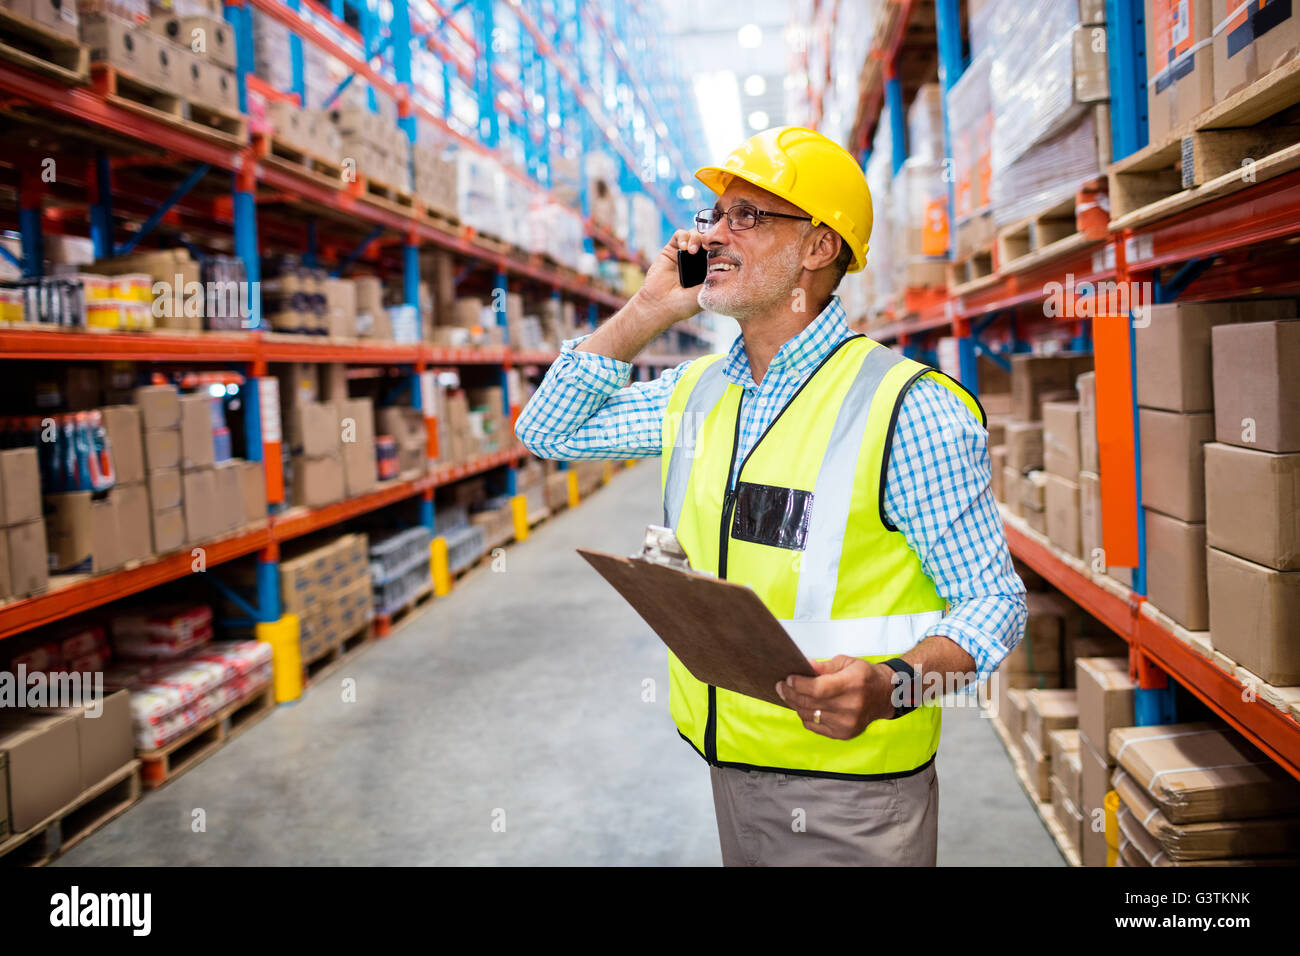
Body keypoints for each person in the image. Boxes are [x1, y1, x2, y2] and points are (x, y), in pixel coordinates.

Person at [516, 126, 1026, 866]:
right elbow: (548, 430)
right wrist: (649, 310)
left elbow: (993, 604)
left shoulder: (907, 407)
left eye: (746, 217)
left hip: (849, 789)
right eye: (712, 217)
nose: (714, 236)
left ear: (818, 249)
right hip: (729, 758)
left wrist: (894, 688)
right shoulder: (698, 392)